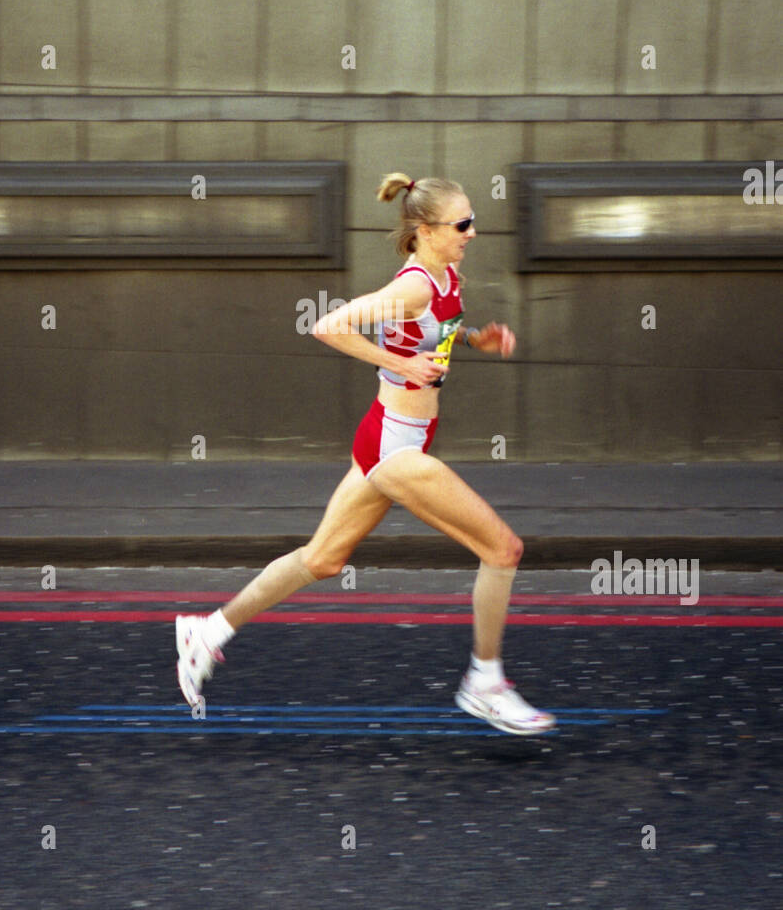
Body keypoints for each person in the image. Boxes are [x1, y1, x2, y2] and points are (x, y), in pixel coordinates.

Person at [176, 173, 555, 735]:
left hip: (388, 436)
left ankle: (208, 630)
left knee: (322, 561)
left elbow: (429, 332)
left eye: (473, 221)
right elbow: (328, 325)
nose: (473, 232)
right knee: (503, 549)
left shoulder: (446, 274)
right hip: (395, 448)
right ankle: (485, 682)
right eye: (462, 224)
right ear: (426, 231)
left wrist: (475, 338)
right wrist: (400, 367)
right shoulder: (413, 285)